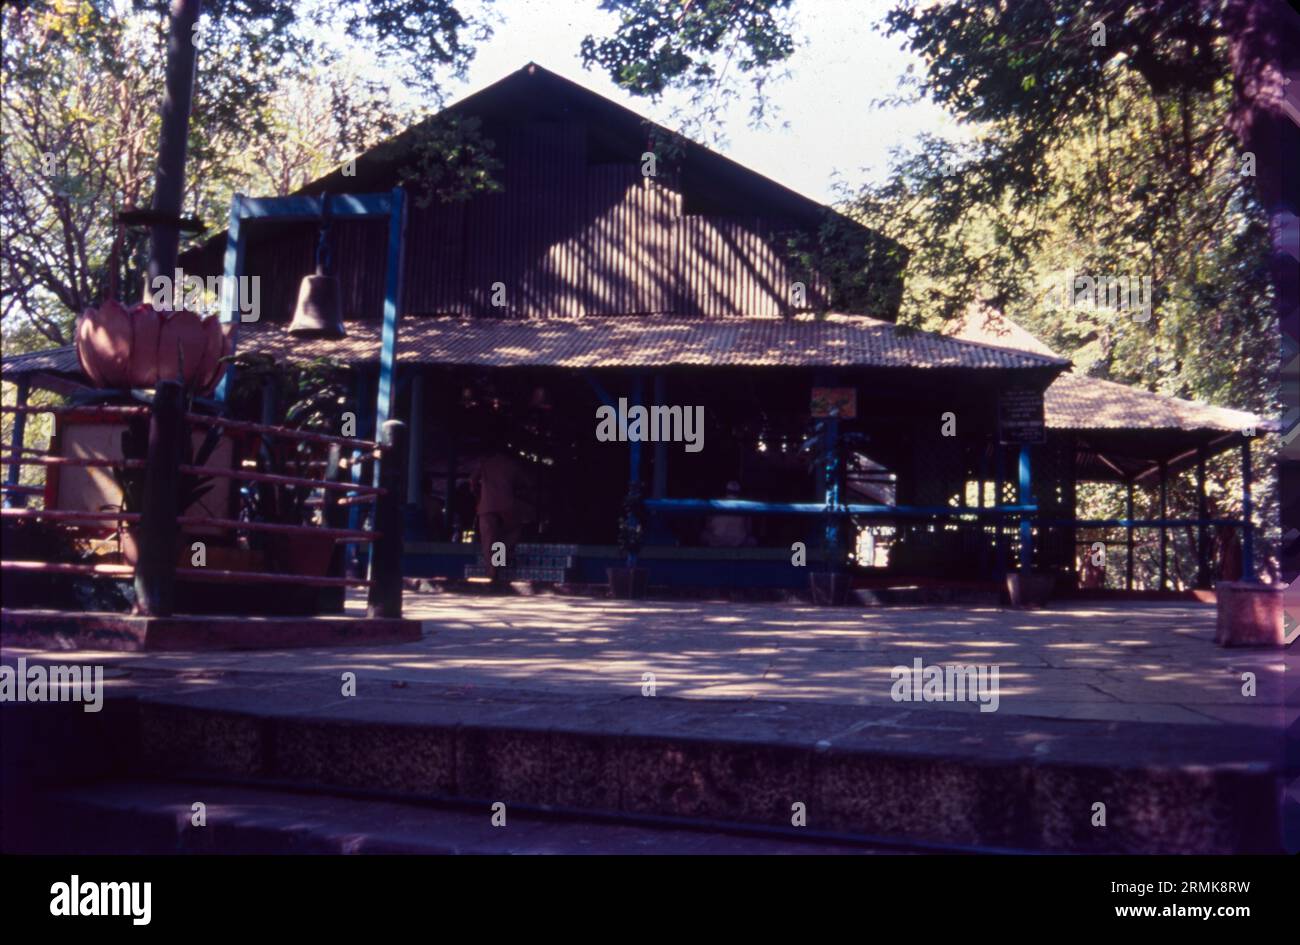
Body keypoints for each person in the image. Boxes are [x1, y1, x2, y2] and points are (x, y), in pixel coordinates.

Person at [471, 443, 536, 583]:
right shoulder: (512, 465)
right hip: (507, 506)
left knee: (489, 540)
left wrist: (480, 496)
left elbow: (473, 481)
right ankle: (499, 562)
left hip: (487, 507)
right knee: (509, 534)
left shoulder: (485, 464)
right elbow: (527, 483)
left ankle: (493, 572)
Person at [700, 480, 756, 548]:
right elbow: (749, 529)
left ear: (726, 491)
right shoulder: (745, 506)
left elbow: (707, 525)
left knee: (704, 535)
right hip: (736, 542)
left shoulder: (715, 504)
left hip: (718, 541)